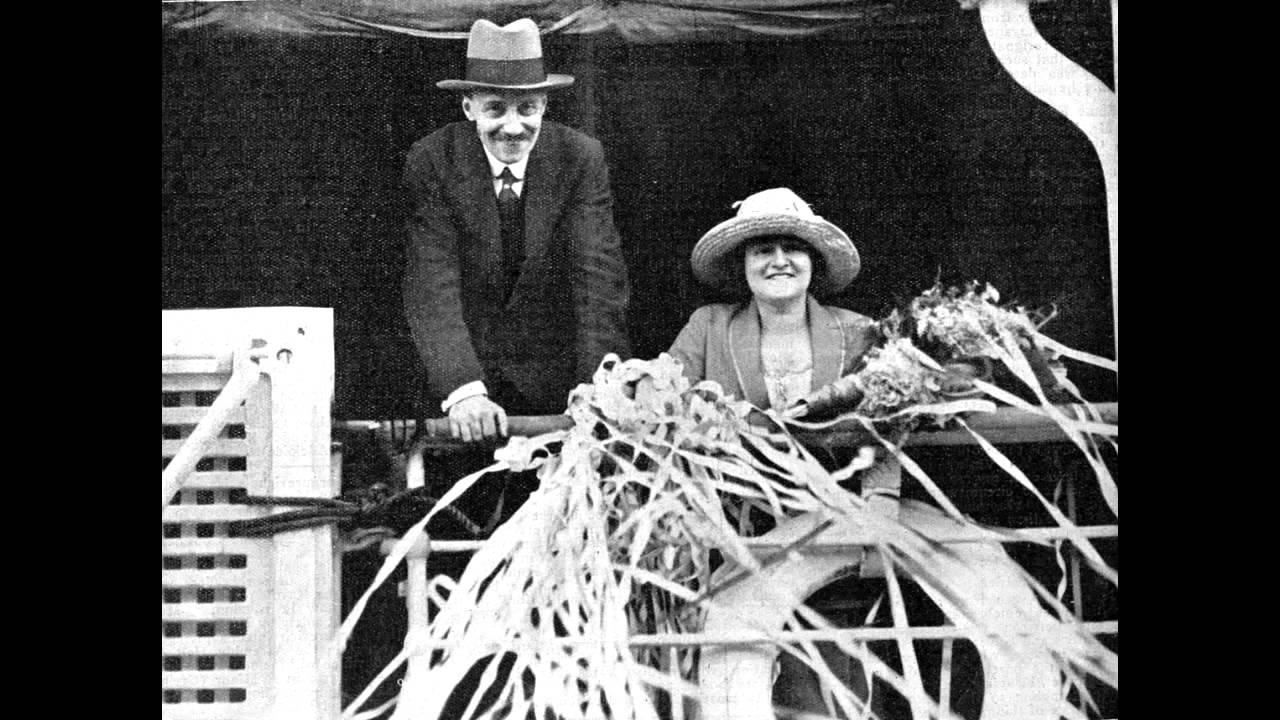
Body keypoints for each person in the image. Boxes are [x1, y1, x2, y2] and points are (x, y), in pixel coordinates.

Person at [667, 187, 897, 717]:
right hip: (734, 538)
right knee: (732, 684)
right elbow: (663, 401)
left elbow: (891, 419)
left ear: (813, 260)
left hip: (833, 536)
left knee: (830, 689)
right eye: (761, 249)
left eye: (790, 247)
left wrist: (882, 507)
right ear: (742, 264)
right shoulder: (709, 327)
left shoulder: (857, 332)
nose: (777, 261)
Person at [402, 17, 631, 446]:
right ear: (468, 108)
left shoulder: (580, 157)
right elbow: (431, 280)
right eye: (495, 109)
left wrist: (601, 388)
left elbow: (597, 279)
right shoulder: (433, 159)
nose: (512, 126)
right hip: (465, 387)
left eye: (527, 108)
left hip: (557, 385)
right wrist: (464, 389)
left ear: (544, 105)